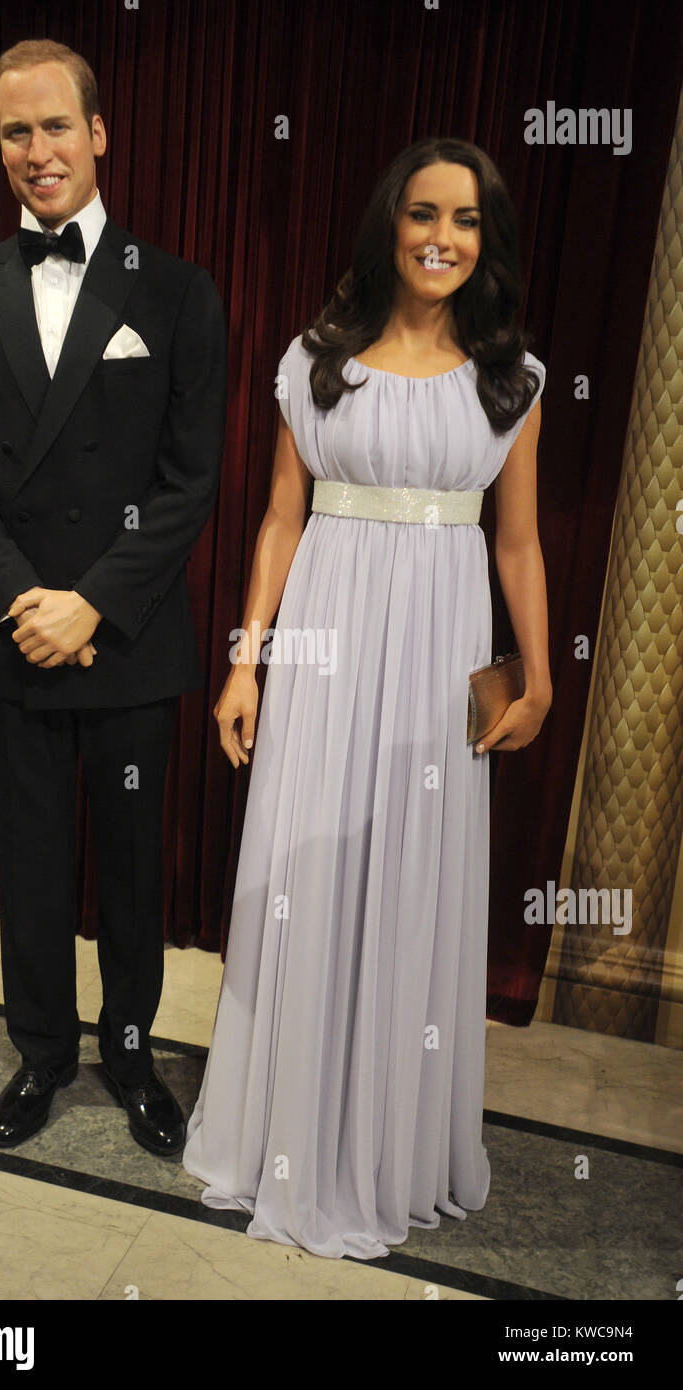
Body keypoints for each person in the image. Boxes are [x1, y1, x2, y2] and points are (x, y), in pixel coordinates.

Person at [183, 137, 552, 1259]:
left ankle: (385, 1148)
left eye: (467, 219)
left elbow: (520, 542)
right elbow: (279, 520)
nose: (442, 235)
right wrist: (247, 662)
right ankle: (282, 1138)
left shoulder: (513, 380)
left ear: (486, 241)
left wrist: (539, 674)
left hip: (437, 660)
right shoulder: (315, 359)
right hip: (325, 653)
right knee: (310, 870)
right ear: (388, 225)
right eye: (423, 212)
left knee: (409, 879)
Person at [0, 39, 226, 1156]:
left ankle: (132, 1057)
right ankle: (42, 1054)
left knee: (134, 870)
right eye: (13, 132)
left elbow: (190, 481)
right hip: (12, 638)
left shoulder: (177, 290)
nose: (35, 152)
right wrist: (23, 603)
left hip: (127, 635)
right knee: (30, 864)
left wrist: (92, 603)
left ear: (99, 132)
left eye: (55, 127)